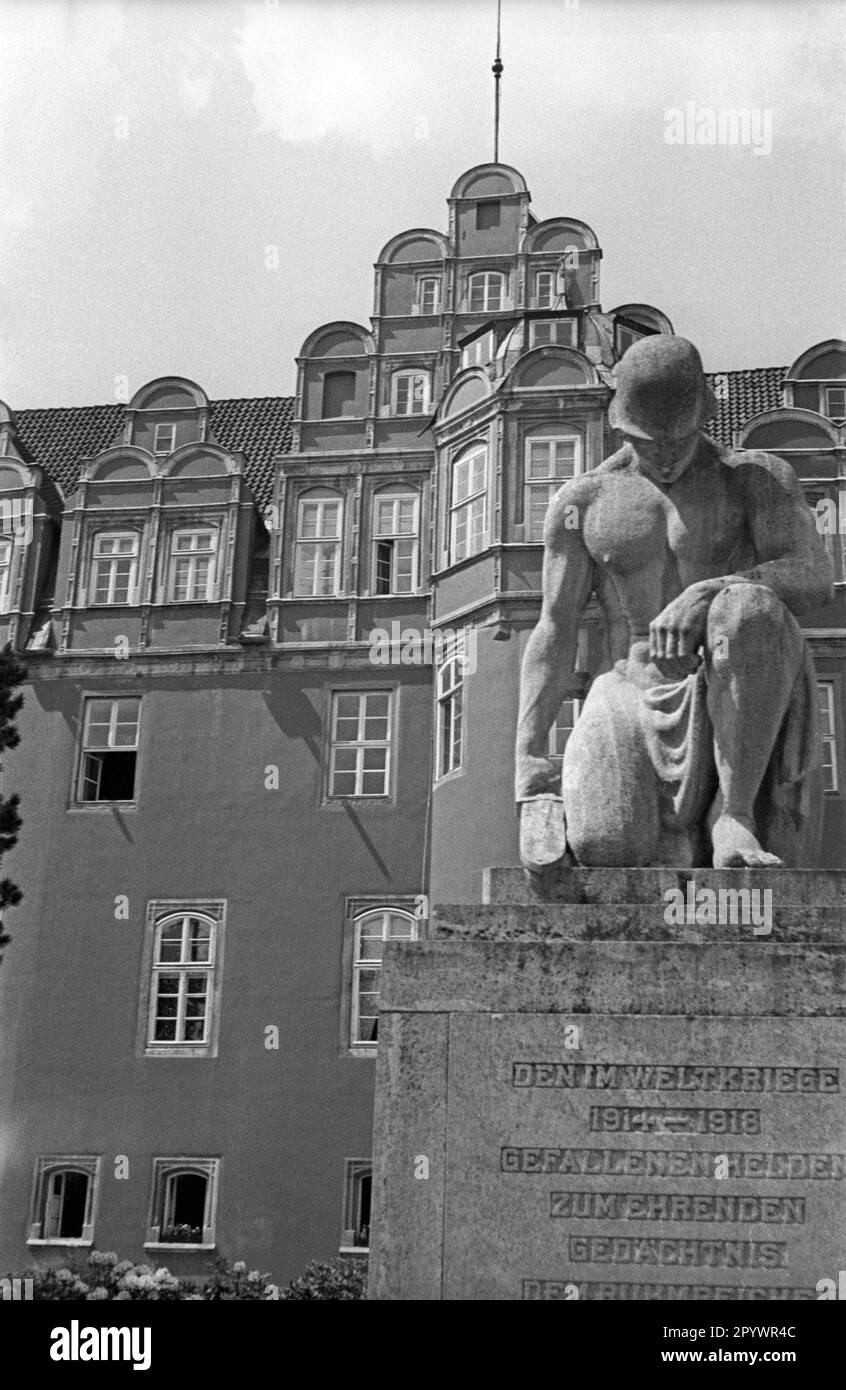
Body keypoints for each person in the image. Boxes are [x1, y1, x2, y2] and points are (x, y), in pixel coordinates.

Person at [515, 335, 833, 870]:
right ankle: (673, 839)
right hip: (631, 686)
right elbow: (555, 627)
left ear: (707, 413)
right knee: (606, 847)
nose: (664, 454)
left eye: (677, 439)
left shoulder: (754, 478)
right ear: (619, 425)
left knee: (748, 606)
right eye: (647, 441)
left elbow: (814, 576)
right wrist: (526, 750)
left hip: (731, 684)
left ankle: (733, 814)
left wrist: (709, 591)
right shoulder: (582, 502)